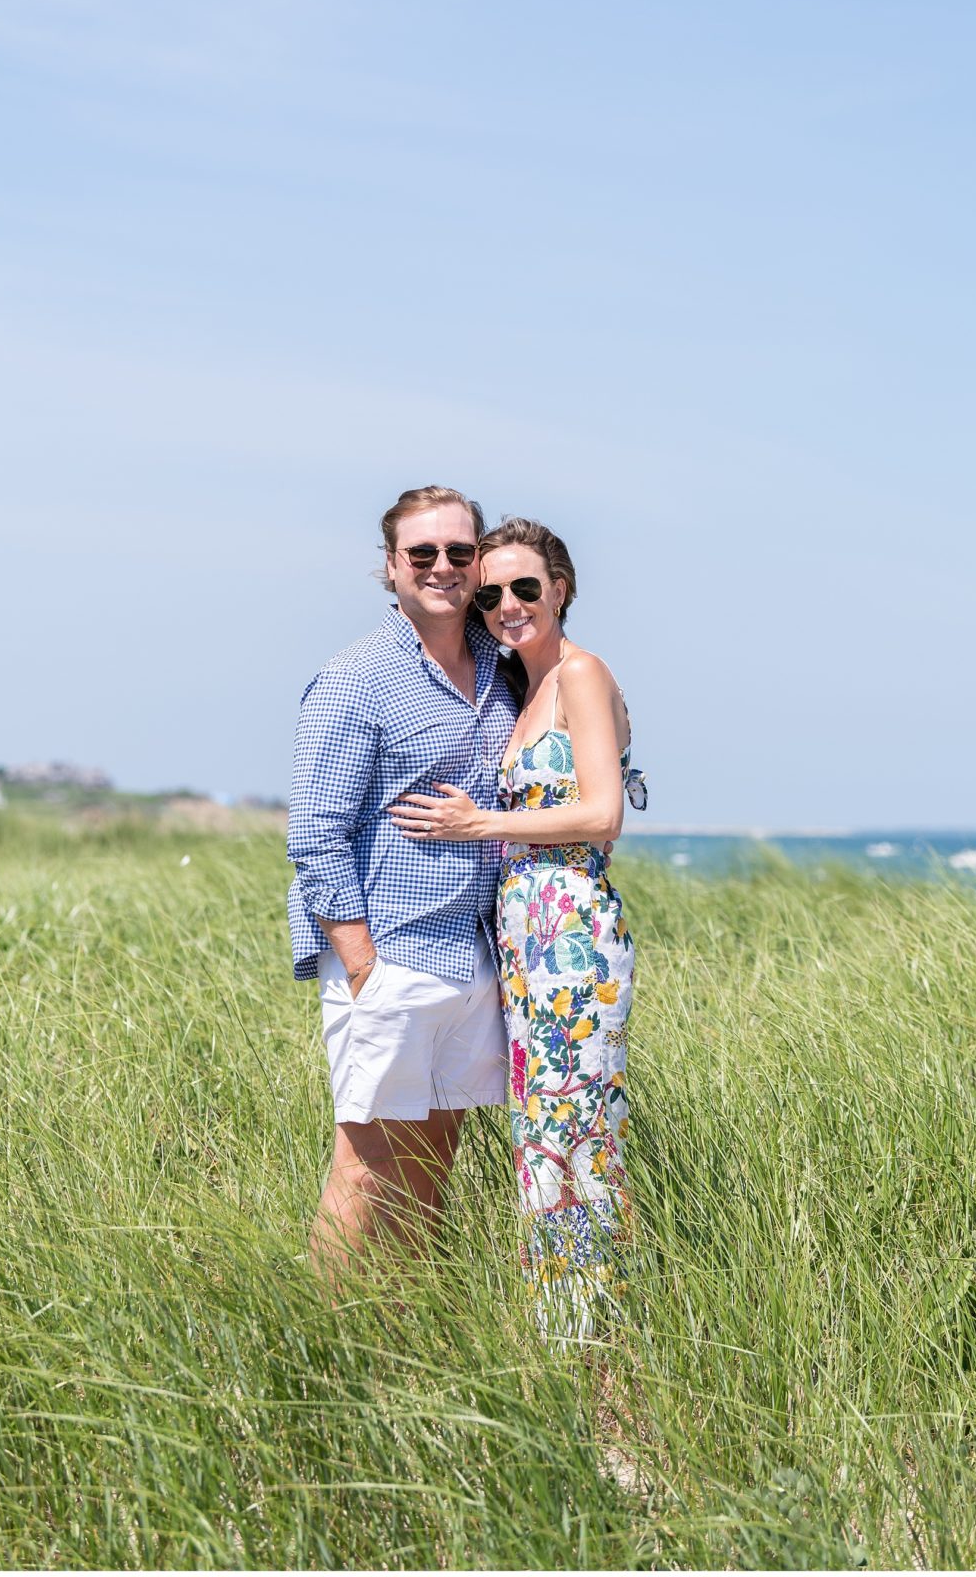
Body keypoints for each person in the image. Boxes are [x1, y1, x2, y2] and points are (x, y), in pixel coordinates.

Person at [389, 518, 645, 1338]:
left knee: (579, 1136)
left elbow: (603, 814)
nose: (507, 604)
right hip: (524, 944)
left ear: (559, 590)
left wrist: (480, 824)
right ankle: (563, 1336)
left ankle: (603, 1357)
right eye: (490, 593)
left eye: (525, 587)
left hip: (572, 935)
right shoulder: (521, 688)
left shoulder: (579, 674)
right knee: (540, 1139)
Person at [287, 486, 518, 1278]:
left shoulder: (502, 668)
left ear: (479, 561)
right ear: (390, 567)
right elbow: (315, 835)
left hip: (473, 956)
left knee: (433, 1159)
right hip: (390, 953)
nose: (441, 566)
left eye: (459, 551)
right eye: (422, 553)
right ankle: (320, 1337)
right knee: (365, 1165)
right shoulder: (355, 678)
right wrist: (362, 967)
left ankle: (402, 1327)